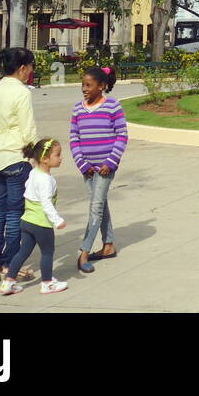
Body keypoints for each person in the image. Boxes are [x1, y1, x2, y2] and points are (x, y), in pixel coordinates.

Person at [0, 47, 40, 283]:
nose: (31, 72)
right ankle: (10, 264)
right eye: (31, 67)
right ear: (23, 68)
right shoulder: (21, 92)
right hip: (16, 156)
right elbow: (28, 130)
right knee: (15, 213)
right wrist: (37, 156)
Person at [71, 66, 127, 274]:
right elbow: (74, 138)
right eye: (82, 85)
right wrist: (82, 164)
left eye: (88, 85)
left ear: (101, 86)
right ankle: (108, 245)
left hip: (105, 168)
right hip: (87, 169)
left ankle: (84, 252)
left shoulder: (112, 106)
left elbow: (122, 135)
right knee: (100, 204)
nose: (84, 89)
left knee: (95, 208)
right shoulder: (78, 108)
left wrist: (111, 161)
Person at [0, 138, 67, 296]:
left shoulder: (33, 173)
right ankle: (47, 283)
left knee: (23, 252)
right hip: (41, 223)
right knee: (47, 252)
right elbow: (46, 203)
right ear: (45, 159)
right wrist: (57, 220)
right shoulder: (46, 180)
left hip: (27, 220)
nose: (61, 158)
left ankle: (8, 282)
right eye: (58, 155)